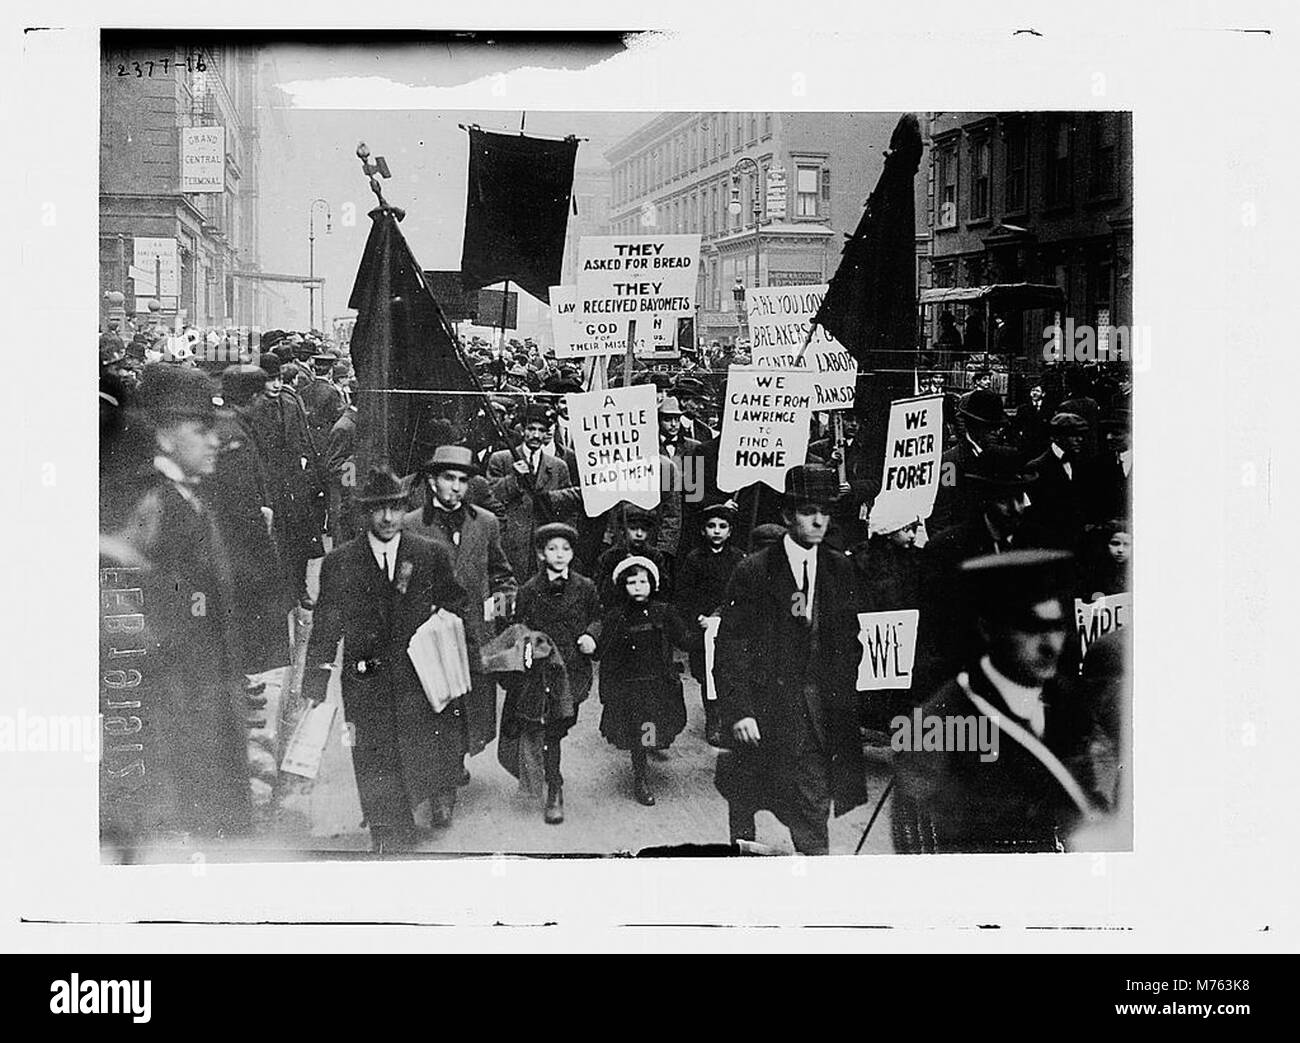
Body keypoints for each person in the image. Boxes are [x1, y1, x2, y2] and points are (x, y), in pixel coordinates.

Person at [105, 364, 254, 839]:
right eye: (201, 429)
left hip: (200, 693)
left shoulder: (184, 496)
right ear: (166, 436)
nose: (215, 441)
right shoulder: (149, 502)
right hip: (171, 702)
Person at [302, 466, 477, 851]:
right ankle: (386, 830)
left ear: (404, 508)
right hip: (366, 679)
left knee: (417, 746)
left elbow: (457, 601)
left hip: (419, 675)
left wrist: (440, 628)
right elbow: (326, 626)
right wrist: (315, 684)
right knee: (370, 752)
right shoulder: (341, 562)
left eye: (395, 508)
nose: (387, 518)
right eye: (378, 509)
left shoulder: (429, 554)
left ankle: (419, 805)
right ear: (365, 513)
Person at [891, 550, 1113, 853]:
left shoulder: (1066, 706)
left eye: (1057, 627)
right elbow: (921, 850)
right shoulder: (936, 726)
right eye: (1032, 629)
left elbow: (1085, 808)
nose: (1050, 645)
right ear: (989, 629)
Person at [713, 465, 870, 854]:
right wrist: (740, 711)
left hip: (818, 715)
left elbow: (850, 640)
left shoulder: (839, 568)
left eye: (826, 511)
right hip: (765, 715)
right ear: (786, 516)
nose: (819, 520)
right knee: (749, 808)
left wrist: (842, 693)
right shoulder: (754, 571)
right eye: (807, 511)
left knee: (813, 817)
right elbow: (731, 646)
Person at [403, 444, 516, 772]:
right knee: (436, 702)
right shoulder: (412, 525)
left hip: (474, 632)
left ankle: (456, 762)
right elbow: (401, 583)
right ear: (432, 480)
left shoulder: (486, 523)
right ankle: (445, 782)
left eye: (463, 480)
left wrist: (494, 613)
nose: (455, 487)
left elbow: (502, 575)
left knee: (470, 706)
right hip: (431, 633)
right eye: (448, 478)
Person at [507, 523, 602, 824]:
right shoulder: (529, 590)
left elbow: (597, 617)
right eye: (552, 549)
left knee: (563, 722)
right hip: (542, 674)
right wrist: (526, 652)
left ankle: (552, 771)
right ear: (541, 553)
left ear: (573, 553)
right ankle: (554, 789)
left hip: (573, 669)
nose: (559, 555)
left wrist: (591, 635)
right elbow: (517, 629)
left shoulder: (585, 587)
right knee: (551, 729)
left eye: (565, 549)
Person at [596, 557, 691, 806]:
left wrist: (704, 634)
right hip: (630, 685)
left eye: (643, 581)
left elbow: (684, 639)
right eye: (631, 582)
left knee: (653, 728)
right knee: (638, 734)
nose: (638, 587)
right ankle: (641, 777)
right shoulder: (617, 616)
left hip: (658, 684)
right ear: (623, 587)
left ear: (652, 584)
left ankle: (647, 753)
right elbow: (606, 653)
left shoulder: (664, 611)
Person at [250, 351, 326, 608]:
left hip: (295, 484)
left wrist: (308, 471)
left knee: (301, 538)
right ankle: (283, 592)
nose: (276, 384)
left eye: (279, 378)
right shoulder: (254, 410)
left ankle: (301, 589)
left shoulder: (291, 405)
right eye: (270, 380)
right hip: (271, 485)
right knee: (277, 541)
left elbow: (304, 442)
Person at [674, 502, 745, 744]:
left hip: (730, 625)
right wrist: (699, 618)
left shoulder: (738, 558)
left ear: (730, 531)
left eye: (722, 526)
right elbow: (684, 594)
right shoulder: (694, 559)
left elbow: (742, 593)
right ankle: (712, 718)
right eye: (711, 526)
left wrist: (727, 614)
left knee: (729, 671)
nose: (717, 531)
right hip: (703, 627)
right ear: (703, 531)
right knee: (707, 675)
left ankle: (727, 718)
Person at [486, 402, 574, 583]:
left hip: (543, 548)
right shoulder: (501, 459)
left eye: (542, 430)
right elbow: (490, 498)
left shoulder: (558, 467)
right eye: (531, 429)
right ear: (522, 430)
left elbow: (568, 510)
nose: (535, 435)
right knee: (501, 600)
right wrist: (514, 479)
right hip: (508, 545)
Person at [929, 388, 1007, 533]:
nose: (995, 432)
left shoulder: (1002, 456)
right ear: (973, 426)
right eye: (989, 427)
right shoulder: (950, 463)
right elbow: (942, 509)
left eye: (998, 427)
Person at [594, 504, 669, 607]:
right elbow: (600, 591)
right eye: (633, 529)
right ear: (623, 529)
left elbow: (662, 590)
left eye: (644, 529)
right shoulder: (610, 557)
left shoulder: (654, 556)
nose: (639, 534)